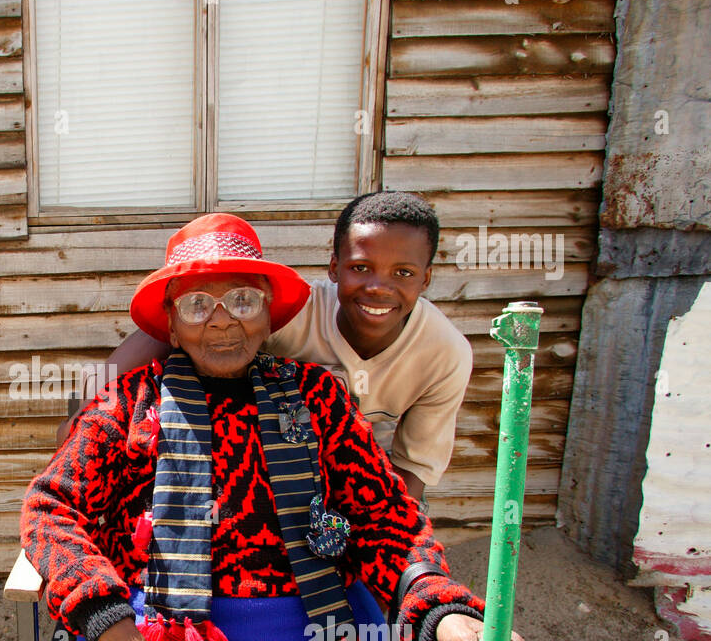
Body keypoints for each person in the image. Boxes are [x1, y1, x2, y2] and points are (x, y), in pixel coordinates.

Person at [21, 213, 536, 641]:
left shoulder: (320, 398)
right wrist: (109, 626)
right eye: (197, 305)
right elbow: (48, 510)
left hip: (315, 634)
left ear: (269, 313)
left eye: (242, 300)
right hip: (161, 635)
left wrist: (446, 614)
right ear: (171, 323)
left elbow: (386, 521)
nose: (221, 320)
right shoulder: (127, 402)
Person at [86, 192, 471, 503]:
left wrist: (380, 536)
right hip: (264, 477)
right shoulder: (291, 315)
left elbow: (413, 468)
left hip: (356, 481)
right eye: (360, 267)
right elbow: (179, 329)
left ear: (426, 278)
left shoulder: (444, 355)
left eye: (403, 273)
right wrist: (86, 407)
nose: (378, 287)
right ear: (334, 267)